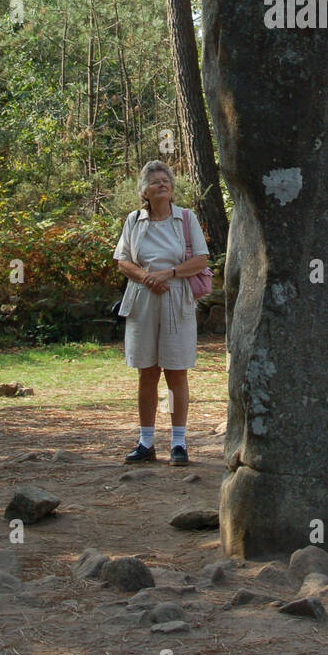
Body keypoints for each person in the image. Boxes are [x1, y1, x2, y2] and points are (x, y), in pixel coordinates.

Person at [113, 161, 210, 465]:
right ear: (144, 190)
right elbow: (123, 261)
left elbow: (202, 260)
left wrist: (168, 273)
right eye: (154, 182)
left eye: (165, 180)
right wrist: (146, 278)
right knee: (147, 372)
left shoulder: (185, 218)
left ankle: (178, 443)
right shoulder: (134, 220)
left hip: (176, 298)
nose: (162, 185)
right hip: (143, 300)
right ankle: (145, 442)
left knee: (176, 371)